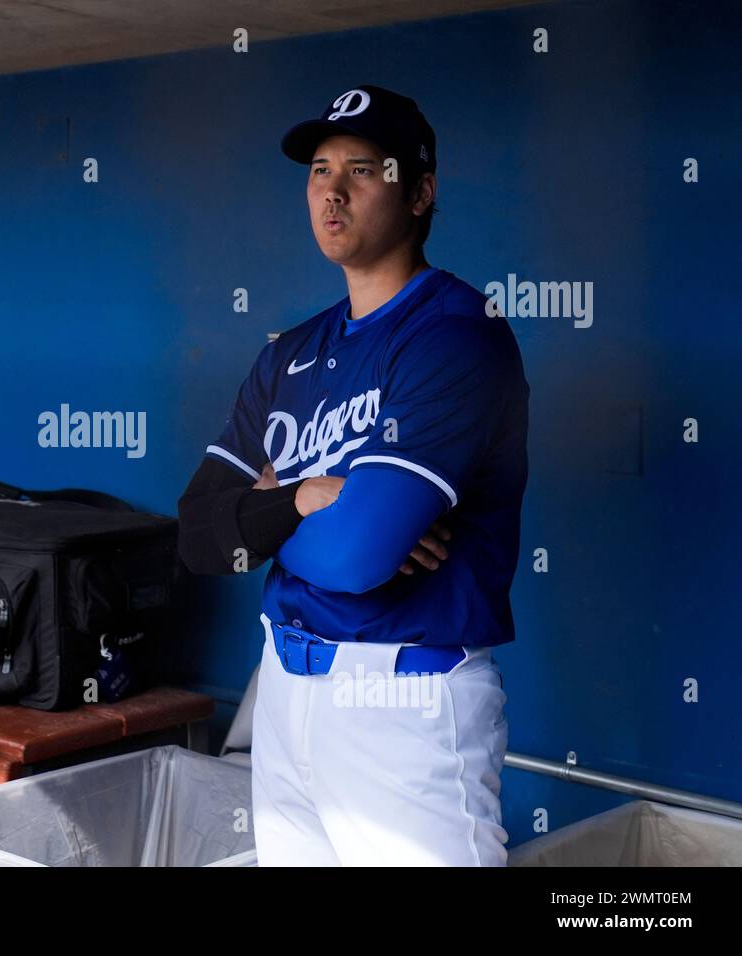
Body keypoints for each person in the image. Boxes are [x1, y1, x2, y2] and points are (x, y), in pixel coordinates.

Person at [177, 85, 530, 866]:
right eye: (319, 169)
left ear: (422, 191)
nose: (332, 189)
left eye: (364, 169)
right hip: (282, 692)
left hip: (403, 701)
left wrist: (272, 515)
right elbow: (199, 534)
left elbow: (360, 556)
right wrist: (306, 501)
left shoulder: (455, 337)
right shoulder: (288, 353)